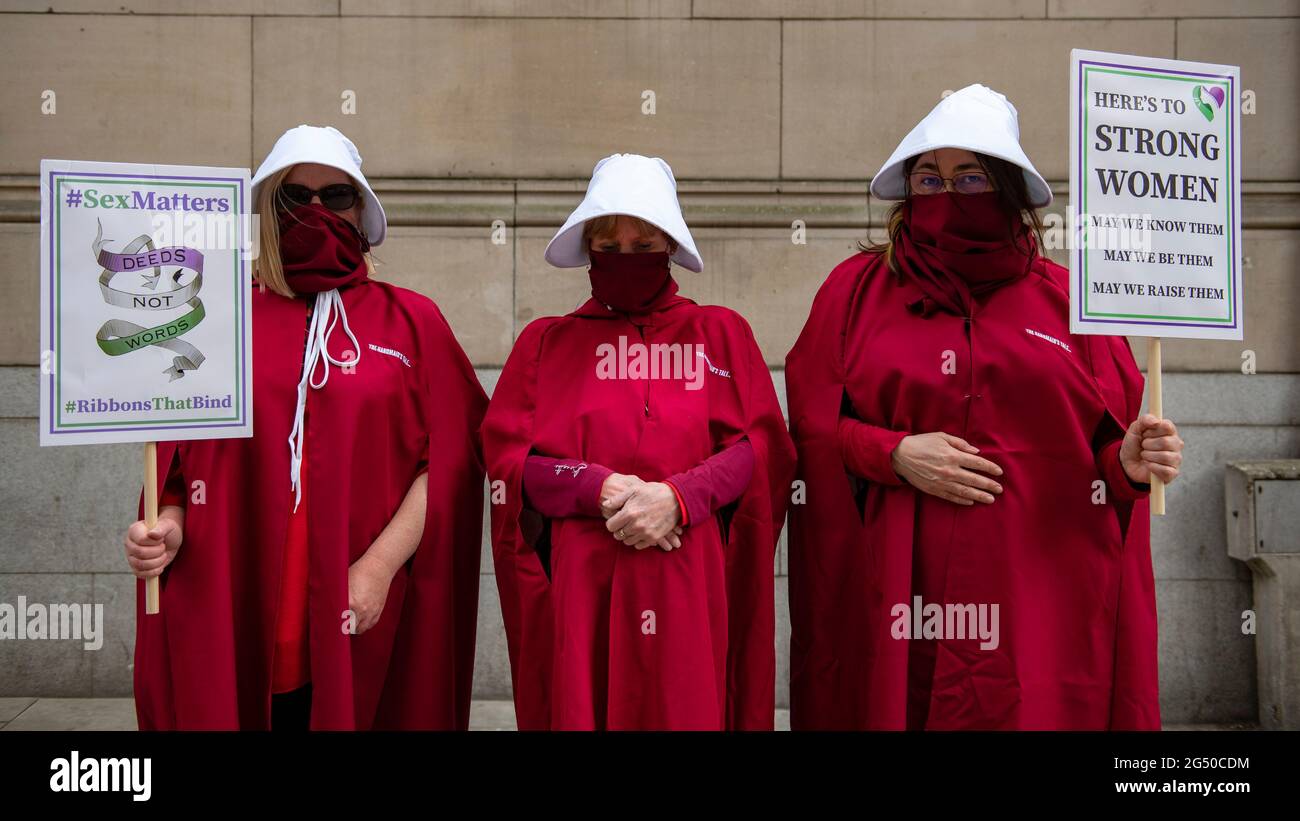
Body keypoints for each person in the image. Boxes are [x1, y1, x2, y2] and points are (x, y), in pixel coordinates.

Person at [786, 85, 1183, 730]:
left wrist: (1133, 464)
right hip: (895, 592)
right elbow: (808, 425)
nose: (948, 194)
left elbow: (1108, 455)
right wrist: (890, 452)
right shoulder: (852, 293)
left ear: (1006, 189)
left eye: (970, 176)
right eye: (929, 177)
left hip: (1038, 597)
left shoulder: (1072, 302)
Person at [122, 125, 487, 730]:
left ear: (361, 210)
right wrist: (167, 527)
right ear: (269, 210)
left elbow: (451, 461)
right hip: (237, 600)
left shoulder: (412, 322)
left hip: (359, 605)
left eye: (335, 196)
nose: (315, 211)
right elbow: (182, 464)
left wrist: (377, 568)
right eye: (295, 198)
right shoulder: (216, 317)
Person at [483, 153, 796, 730]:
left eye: (643, 244)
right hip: (583, 584)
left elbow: (761, 449)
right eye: (611, 246)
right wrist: (595, 486)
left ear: (670, 247)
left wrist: (679, 498)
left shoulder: (721, 334)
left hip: (688, 577)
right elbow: (510, 462)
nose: (627, 259)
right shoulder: (545, 343)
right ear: (589, 251)